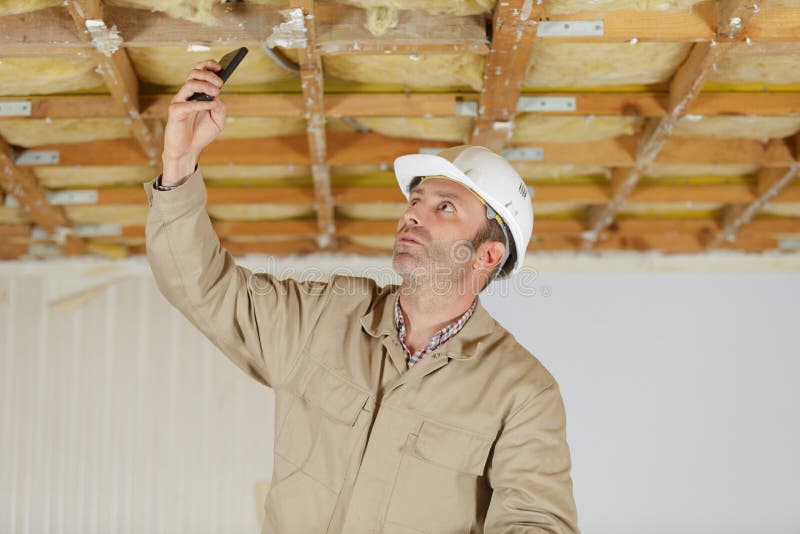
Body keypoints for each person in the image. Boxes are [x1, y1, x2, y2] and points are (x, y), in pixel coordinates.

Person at [145, 59, 580, 533]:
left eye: (444, 207)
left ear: (487, 254)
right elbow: (203, 286)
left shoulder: (521, 392)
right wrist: (178, 164)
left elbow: (536, 523)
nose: (413, 215)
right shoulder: (323, 318)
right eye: (415, 201)